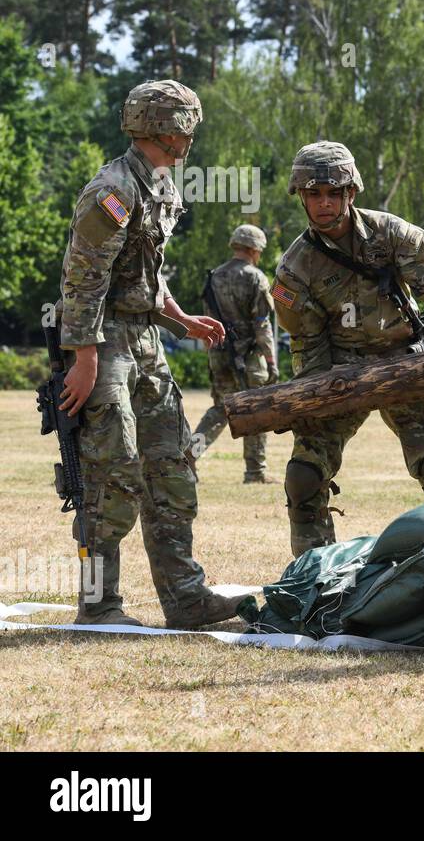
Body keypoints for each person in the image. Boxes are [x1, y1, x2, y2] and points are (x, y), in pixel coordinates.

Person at [56, 79, 251, 628]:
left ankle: (186, 600)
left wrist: (180, 317)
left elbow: (148, 272)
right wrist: (85, 356)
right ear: (171, 128)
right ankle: (99, 607)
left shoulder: (160, 185)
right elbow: (84, 276)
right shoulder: (113, 189)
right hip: (106, 339)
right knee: (111, 471)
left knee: (171, 467)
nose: (191, 135)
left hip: (145, 339)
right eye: (187, 124)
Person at [272, 141, 424, 558]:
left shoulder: (390, 234)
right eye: (314, 194)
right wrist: (303, 401)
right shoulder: (294, 269)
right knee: (303, 477)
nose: (324, 204)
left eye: (333, 193)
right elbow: (307, 345)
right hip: (338, 371)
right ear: (301, 197)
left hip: (406, 361)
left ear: (351, 193)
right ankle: (314, 574)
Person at [189, 224, 279, 482]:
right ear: (254, 249)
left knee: (219, 410)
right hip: (249, 357)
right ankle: (255, 472)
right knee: (256, 411)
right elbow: (262, 325)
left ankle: (190, 454)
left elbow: (206, 320)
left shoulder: (214, 276)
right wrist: (271, 361)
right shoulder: (255, 277)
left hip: (218, 353)